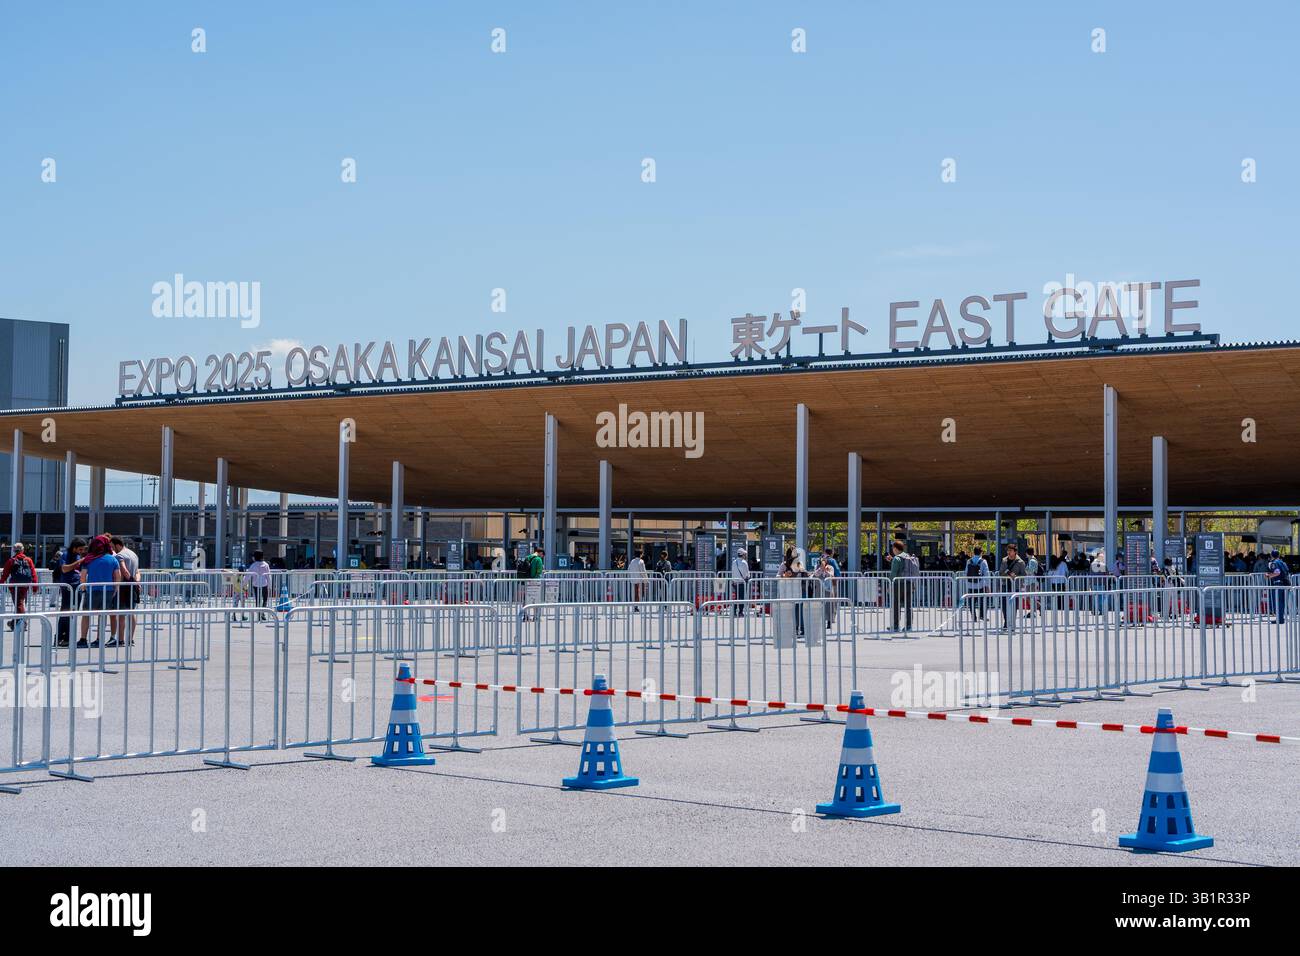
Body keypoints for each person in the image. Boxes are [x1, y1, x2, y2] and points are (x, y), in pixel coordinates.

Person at [80, 535, 121, 648]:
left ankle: (83, 639)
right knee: (102, 615)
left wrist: (83, 589)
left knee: (86, 614)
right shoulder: (113, 559)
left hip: (92, 589)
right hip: (108, 590)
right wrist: (115, 590)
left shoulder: (88, 559)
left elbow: (83, 576)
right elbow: (118, 576)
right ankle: (99, 639)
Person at [52, 538, 88, 647]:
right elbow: (64, 569)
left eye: (83, 549)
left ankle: (68, 637)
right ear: (74, 547)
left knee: (74, 613)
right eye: (80, 549)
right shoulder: (65, 555)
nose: (81, 551)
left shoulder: (79, 556)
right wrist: (78, 562)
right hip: (67, 586)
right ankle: (60, 637)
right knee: (65, 612)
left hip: (77, 586)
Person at [110, 537, 141, 645]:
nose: (111, 548)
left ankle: (120, 639)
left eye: (112, 546)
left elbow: (124, 571)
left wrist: (127, 578)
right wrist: (136, 582)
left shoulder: (120, 556)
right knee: (131, 612)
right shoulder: (133, 554)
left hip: (124, 587)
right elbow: (137, 571)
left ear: (117, 544)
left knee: (121, 614)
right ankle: (130, 639)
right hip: (133, 586)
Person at [1, 542, 38, 627]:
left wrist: (1, 584)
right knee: (20, 602)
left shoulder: (11, 560)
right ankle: (16, 621)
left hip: (14, 585)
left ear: (14, 550)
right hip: (25, 585)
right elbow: (33, 574)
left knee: (19, 603)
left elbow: (5, 574)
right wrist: (35, 587)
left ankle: (21, 623)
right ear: (22, 550)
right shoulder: (28, 560)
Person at [888, 540, 916, 632]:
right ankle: (908, 626)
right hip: (909, 583)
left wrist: (890, 584)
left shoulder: (897, 558)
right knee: (908, 605)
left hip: (898, 584)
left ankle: (895, 626)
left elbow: (893, 573)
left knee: (896, 605)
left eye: (893, 549)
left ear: (895, 548)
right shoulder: (908, 556)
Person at [998, 543, 1027, 630]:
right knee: (1004, 605)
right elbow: (1000, 573)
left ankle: (1012, 623)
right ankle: (1007, 622)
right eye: (1008, 551)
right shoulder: (1004, 560)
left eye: (1010, 551)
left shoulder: (1021, 562)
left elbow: (1023, 575)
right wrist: (1007, 574)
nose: (1008, 552)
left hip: (1015, 586)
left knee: (1014, 605)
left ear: (1015, 552)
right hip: (1005, 585)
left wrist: (1016, 577)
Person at [244, 549, 273, 621]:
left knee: (258, 599)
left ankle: (259, 613)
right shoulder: (266, 565)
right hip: (264, 584)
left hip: (256, 584)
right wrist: (270, 586)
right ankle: (262, 612)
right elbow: (268, 576)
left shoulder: (253, 565)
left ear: (255, 557)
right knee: (265, 599)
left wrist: (243, 583)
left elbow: (248, 575)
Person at [964, 546, 991, 620]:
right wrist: (987, 586)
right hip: (981, 585)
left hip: (970, 584)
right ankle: (982, 615)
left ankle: (974, 616)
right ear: (981, 553)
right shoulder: (983, 561)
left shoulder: (969, 561)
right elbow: (986, 574)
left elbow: (966, 573)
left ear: (974, 552)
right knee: (984, 600)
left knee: (971, 601)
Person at [1266, 549, 1290, 625]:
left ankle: (1279, 619)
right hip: (1285, 584)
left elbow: (1277, 572)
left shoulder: (1274, 563)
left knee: (1278, 602)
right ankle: (1281, 618)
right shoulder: (1283, 563)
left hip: (1278, 584)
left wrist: (1268, 576)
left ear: (1272, 555)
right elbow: (1287, 571)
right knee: (1282, 602)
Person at [730, 545, 751, 616]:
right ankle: (740, 612)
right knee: (741, 597)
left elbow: (733, 572)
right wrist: (748, 577)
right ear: (743, 555)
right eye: (745, 554)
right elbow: (746, 574)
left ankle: (734, 611)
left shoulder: (734, 562)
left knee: (736, 597)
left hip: (735, 582)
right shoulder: (744, 562)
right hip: (742, 582)